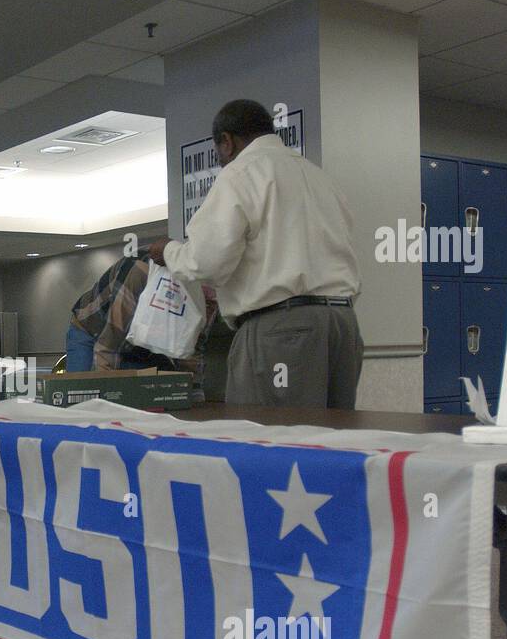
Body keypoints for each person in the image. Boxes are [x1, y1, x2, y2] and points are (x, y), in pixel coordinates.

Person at [148, 99, 363, 409]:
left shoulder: (241, 173)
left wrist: (168, 251)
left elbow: (207, 261)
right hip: (343, 325)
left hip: (283, 328)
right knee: (334, 442)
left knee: (273, 436)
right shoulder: (320, 177)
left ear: (227, 141)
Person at [65, 257, 216, 374]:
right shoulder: (141, 272)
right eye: (204, 300)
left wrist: (193, 397)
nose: (207, 306)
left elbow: (193, 350)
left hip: (141, 344)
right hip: (92, 330)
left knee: (147, 399)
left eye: (210, 302)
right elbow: (108, 346)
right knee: (81, 394)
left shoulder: (207, 300)